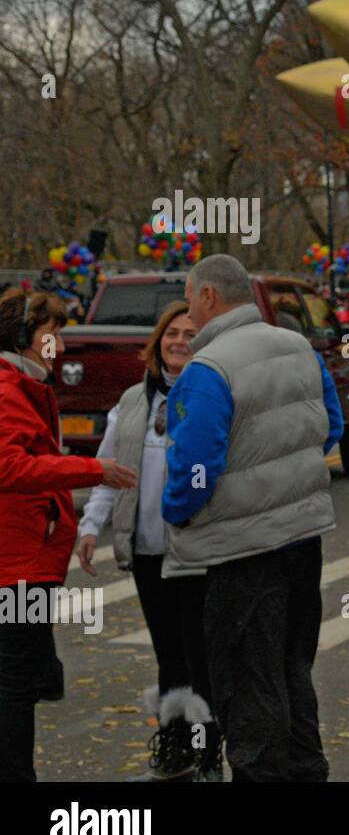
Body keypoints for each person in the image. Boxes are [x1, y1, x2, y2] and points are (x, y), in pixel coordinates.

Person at [161, 255, 344, 782]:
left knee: (247, 691)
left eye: (192, 298)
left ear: (209, 297)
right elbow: (328, 426)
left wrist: (178, 513)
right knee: (292, 675)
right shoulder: (299, 348)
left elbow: (195, 468)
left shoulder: (207, 368)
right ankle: (308, 771)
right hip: (302, 542)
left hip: (241, 553)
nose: (191, 310)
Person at [73, 301, 222, 781]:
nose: (180, 341)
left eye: (190, 333)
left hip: (197, 552)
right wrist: (91, 526)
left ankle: (207, 757)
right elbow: (106, 467)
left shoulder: (212, 394)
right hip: (146, 551)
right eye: (171, 333)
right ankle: (175, 753)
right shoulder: (134, 401)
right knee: (168, 655)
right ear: (157, 342)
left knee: (202, 659)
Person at [0, 289, 138, 781]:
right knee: (14, 685)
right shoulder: (8, 389)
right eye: (51, 335)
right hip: (15, 566)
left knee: (26, 674)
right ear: (22, 339)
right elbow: (10, 466)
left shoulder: (26, 384)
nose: (59, 346)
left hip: (30, 560)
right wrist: (90, 470)